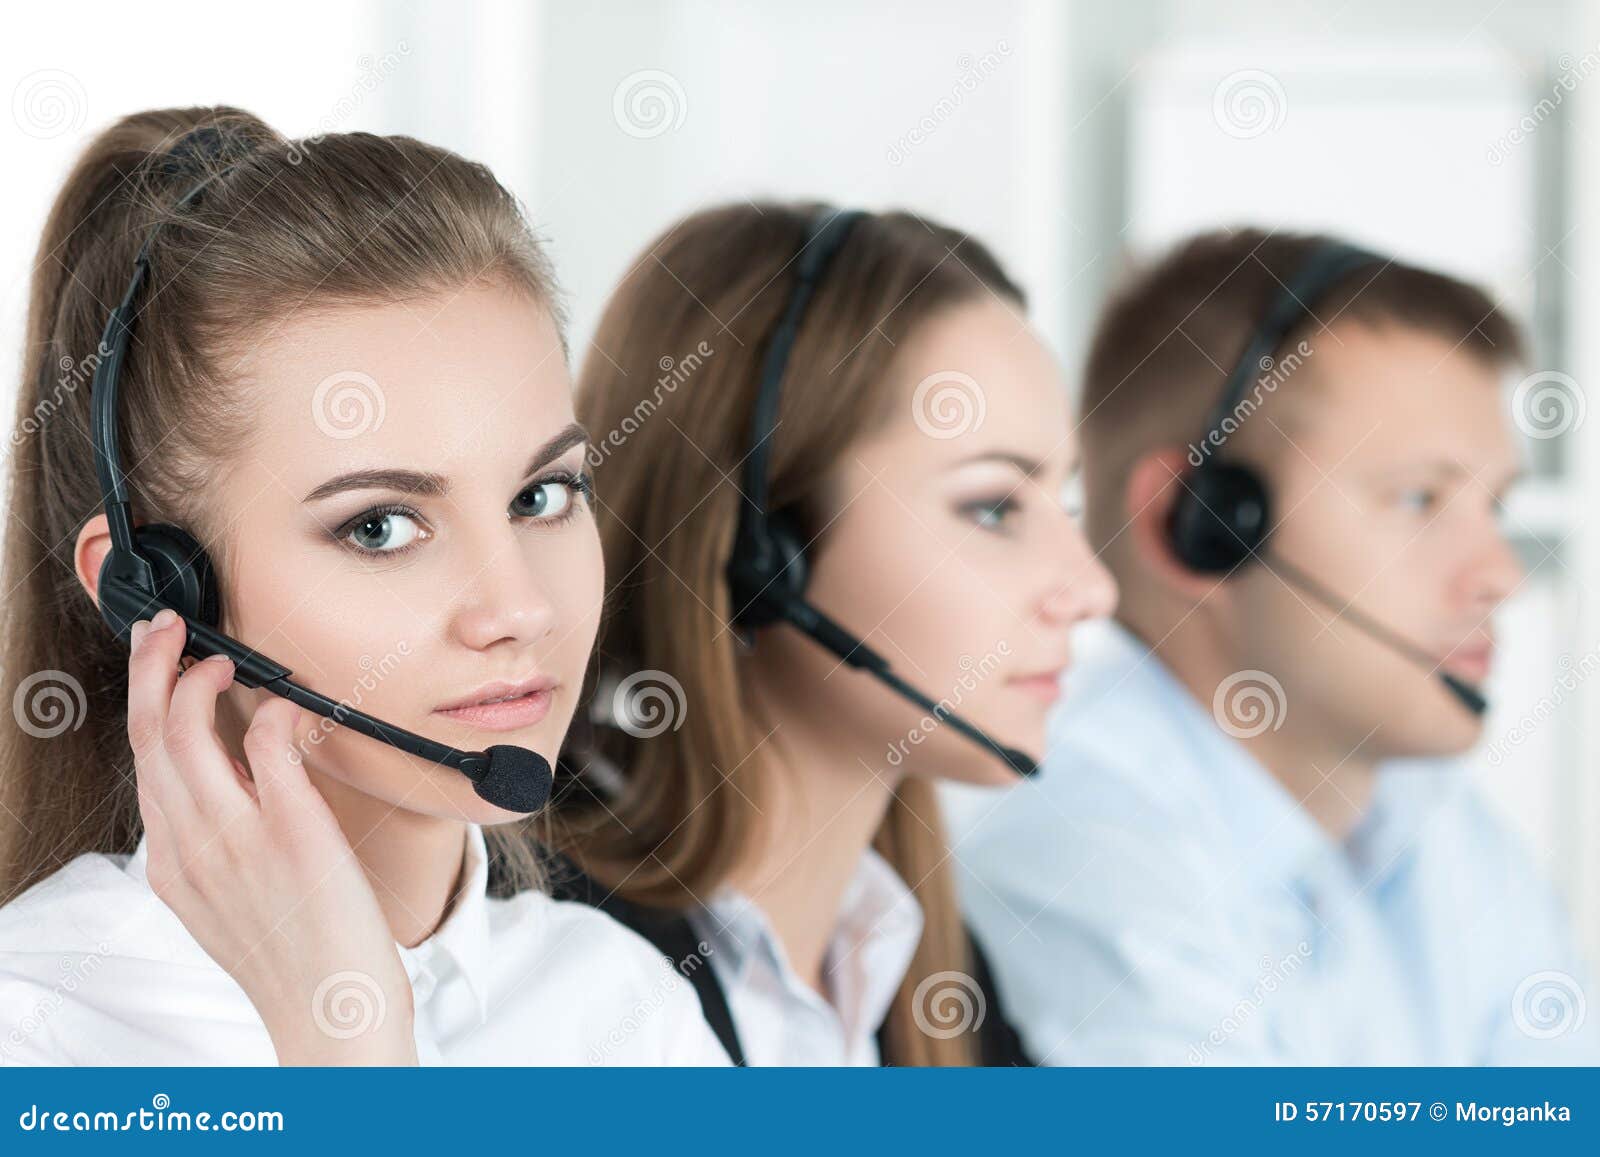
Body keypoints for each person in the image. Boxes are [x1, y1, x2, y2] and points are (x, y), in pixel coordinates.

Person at [0, 107, 729, 1066]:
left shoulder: (623, 1010)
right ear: (153, 592)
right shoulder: (38, 1028)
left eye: (543, 494)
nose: (519, 608)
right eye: (379, 526)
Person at [946, 227, 1600, 1065]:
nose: (1500, 574)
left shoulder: (1434, 823)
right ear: (1201, 524)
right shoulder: (1075, 842)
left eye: (1495, 507)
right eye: (1419, 499)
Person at [547, 202, 1117, 1065]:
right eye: (994, 506)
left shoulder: (937, 984)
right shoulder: (547, 965)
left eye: (1066, 504)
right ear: (759, 545)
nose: (1090, 589)